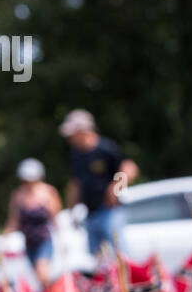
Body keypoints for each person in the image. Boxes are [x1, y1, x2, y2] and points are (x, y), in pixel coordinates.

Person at [59, 110, 139, 256]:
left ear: (83, 131)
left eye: (73, 134)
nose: (70, 139)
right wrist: (71, 208)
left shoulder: (105, 148)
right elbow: (77, 183)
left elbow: (130, 168)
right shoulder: (76, 155)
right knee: (97, 257)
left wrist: (116, 187)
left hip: (110, 210)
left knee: (119, 252)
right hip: (90, 212)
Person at [4, 159, 62, 287]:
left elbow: (55, 217)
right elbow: (14, 221)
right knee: (37, 279)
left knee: (43, 273)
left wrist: (62, 237)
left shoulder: (48, 192)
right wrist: (4, 238)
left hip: (45, 239)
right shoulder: (18, 195)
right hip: (29, 243)